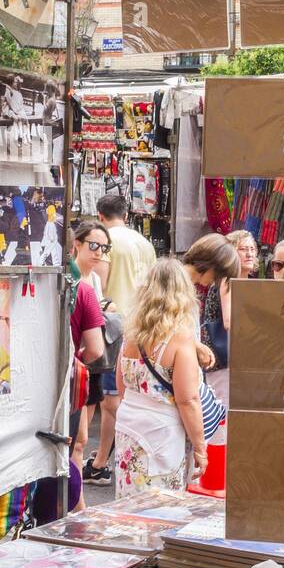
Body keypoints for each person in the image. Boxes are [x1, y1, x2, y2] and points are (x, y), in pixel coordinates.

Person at [113, 259, 206, 497]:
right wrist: (200, 447)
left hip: (128, 428)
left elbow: (121, 387)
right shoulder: (180, 339)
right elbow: (188, 400)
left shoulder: (131, 334)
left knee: (129, 502)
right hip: (161, 434)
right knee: (161, 505)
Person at [86, 195, 156, 483]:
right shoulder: (144, 243)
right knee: (126, 394)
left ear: (100, 215)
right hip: (141, 324)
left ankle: (101, 461)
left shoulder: (105, 241)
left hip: (114, 327)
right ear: (126, 215)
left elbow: (99, 286)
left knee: (110, 399)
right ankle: (107, 456)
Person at [183, 234, 240, 456]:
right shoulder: (177, 287)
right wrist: (194, 345)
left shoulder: (181, 285)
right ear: (211, 265)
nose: (216, 281)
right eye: (219, 275)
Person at [70, 221, 111, 470]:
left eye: (104, 248)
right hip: (81, 361)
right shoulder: (72, 279)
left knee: (81, 440)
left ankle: (76, 490)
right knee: (78, 439)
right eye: (94, 245)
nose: (99, 253)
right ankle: (76, 493)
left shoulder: (94, 279)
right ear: (77, 244)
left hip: (90, 364)